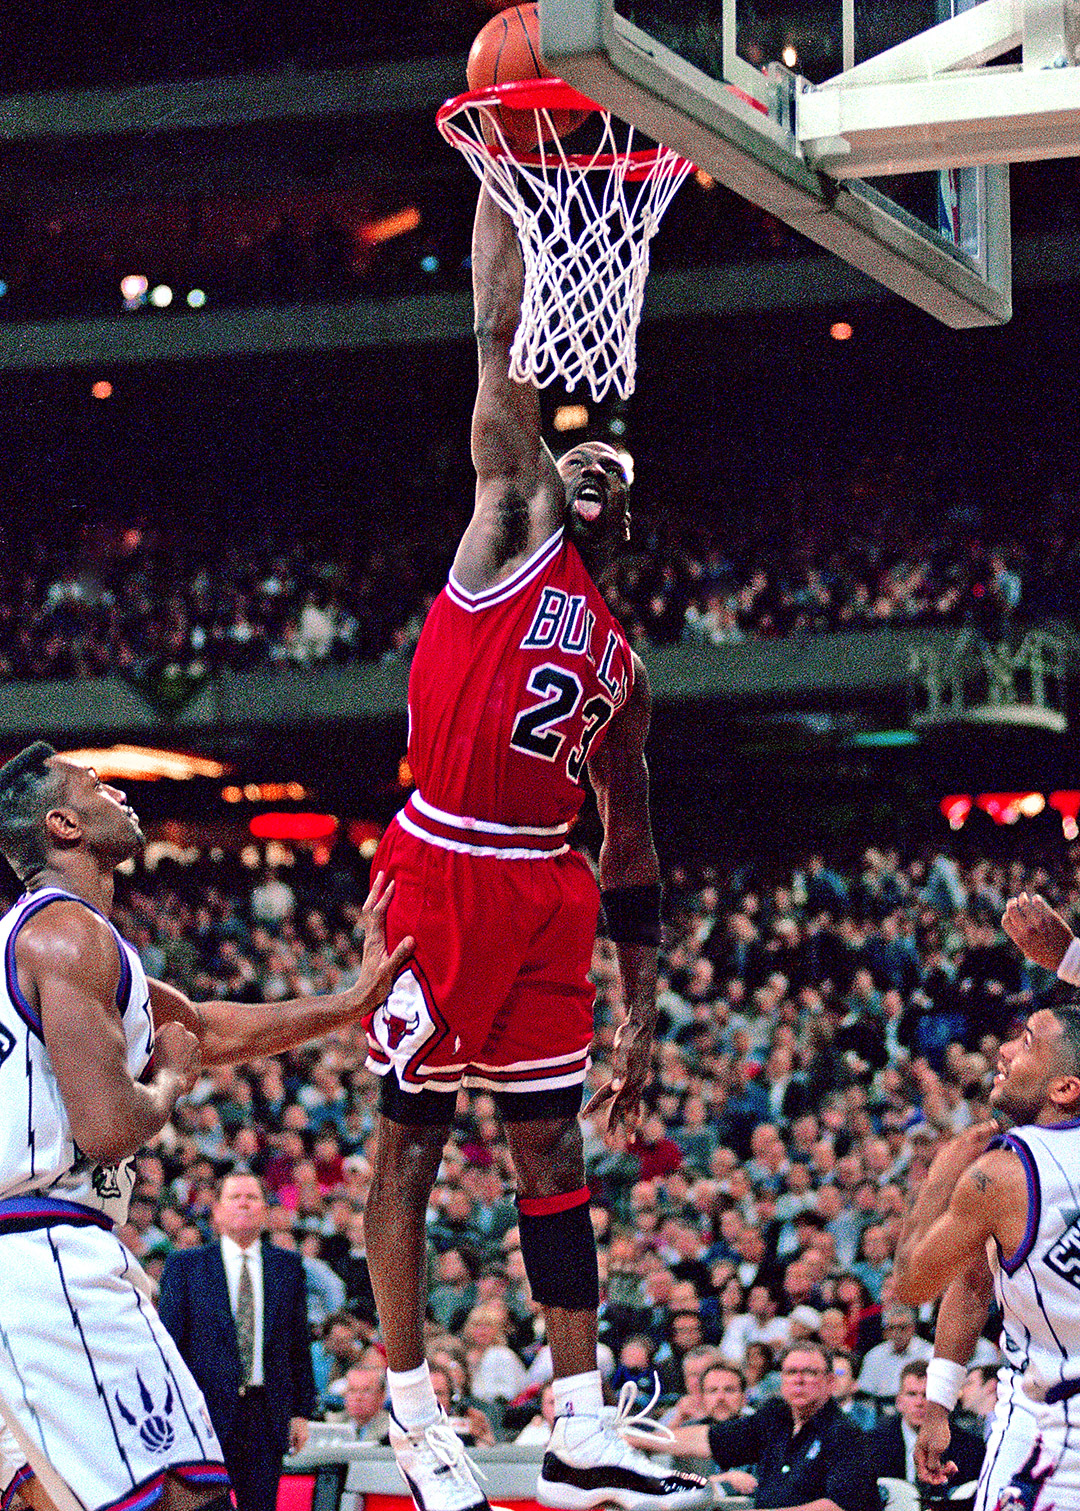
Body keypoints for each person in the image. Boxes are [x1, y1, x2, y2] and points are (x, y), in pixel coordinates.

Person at [358, 172, 711, 1511]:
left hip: (548, 889)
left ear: (630, 513)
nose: (596, 465)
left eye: (616, 465)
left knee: (551, 1151)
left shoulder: (621, 660)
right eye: (583, 452)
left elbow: (633, 851)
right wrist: (502, 178)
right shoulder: (507, 525)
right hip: (446, 858)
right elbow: (494, 348)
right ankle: (411, 1407)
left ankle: (578, 1422)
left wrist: (643, 1014)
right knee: (412, 1140)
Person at [0, 741, 411, 1511]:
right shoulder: (66, 933)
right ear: (63, 824)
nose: (115, 791)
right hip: (47, 1257)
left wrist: (350, 1002)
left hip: (17, 1260)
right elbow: (110, 1127)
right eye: (93, 785)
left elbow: (208, 1027)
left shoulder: (45, 943)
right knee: (188, 1495)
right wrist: (169, 1081)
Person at [893, 997, 1080, 1510]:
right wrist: (938, 1404)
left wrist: (940, 1176)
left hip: (1054, 1432)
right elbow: (975, 1283)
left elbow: (911, 1284)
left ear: (1064, 1089)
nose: (1002, 1050)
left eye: (1026, 1043)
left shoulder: (1000, 1174)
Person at [157, 1172, 317, 1511]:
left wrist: (302, 1412)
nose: (244, 1203)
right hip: (204, 1413)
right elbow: (168, 1345)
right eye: (235, 1197)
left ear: (266, 1210)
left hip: (266, 1414)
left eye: (252, 1196)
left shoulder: (287, 1266)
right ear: (216, 1211)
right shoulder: (186, 1266)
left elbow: (298, 1344)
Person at [651, 1341, 879, 1510]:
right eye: (791, 1372)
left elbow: (836, 1507)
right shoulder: (775, 1419)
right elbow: (709, 1439)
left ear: (830, 1382)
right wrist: (629, 1436)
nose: (799, 1379)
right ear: (781, 1381)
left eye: (809, 1372)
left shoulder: (847, 1434)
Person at [866, 1361, 983, 1489]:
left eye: (927, 1395)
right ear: (898, 1402)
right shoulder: (872, 1444)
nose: (919, 1402)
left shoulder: (969, 1448)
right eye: (912, 1394)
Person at [854, 1303, 932, 1413]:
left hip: (919, 1409)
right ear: (885, 1331)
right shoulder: (874, 1356)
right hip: (881, 1412)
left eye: (902, 1327)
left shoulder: (929, 1353)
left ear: (913, 1328)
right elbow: (865, 1393)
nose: (897, 1333)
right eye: (891, 1328)